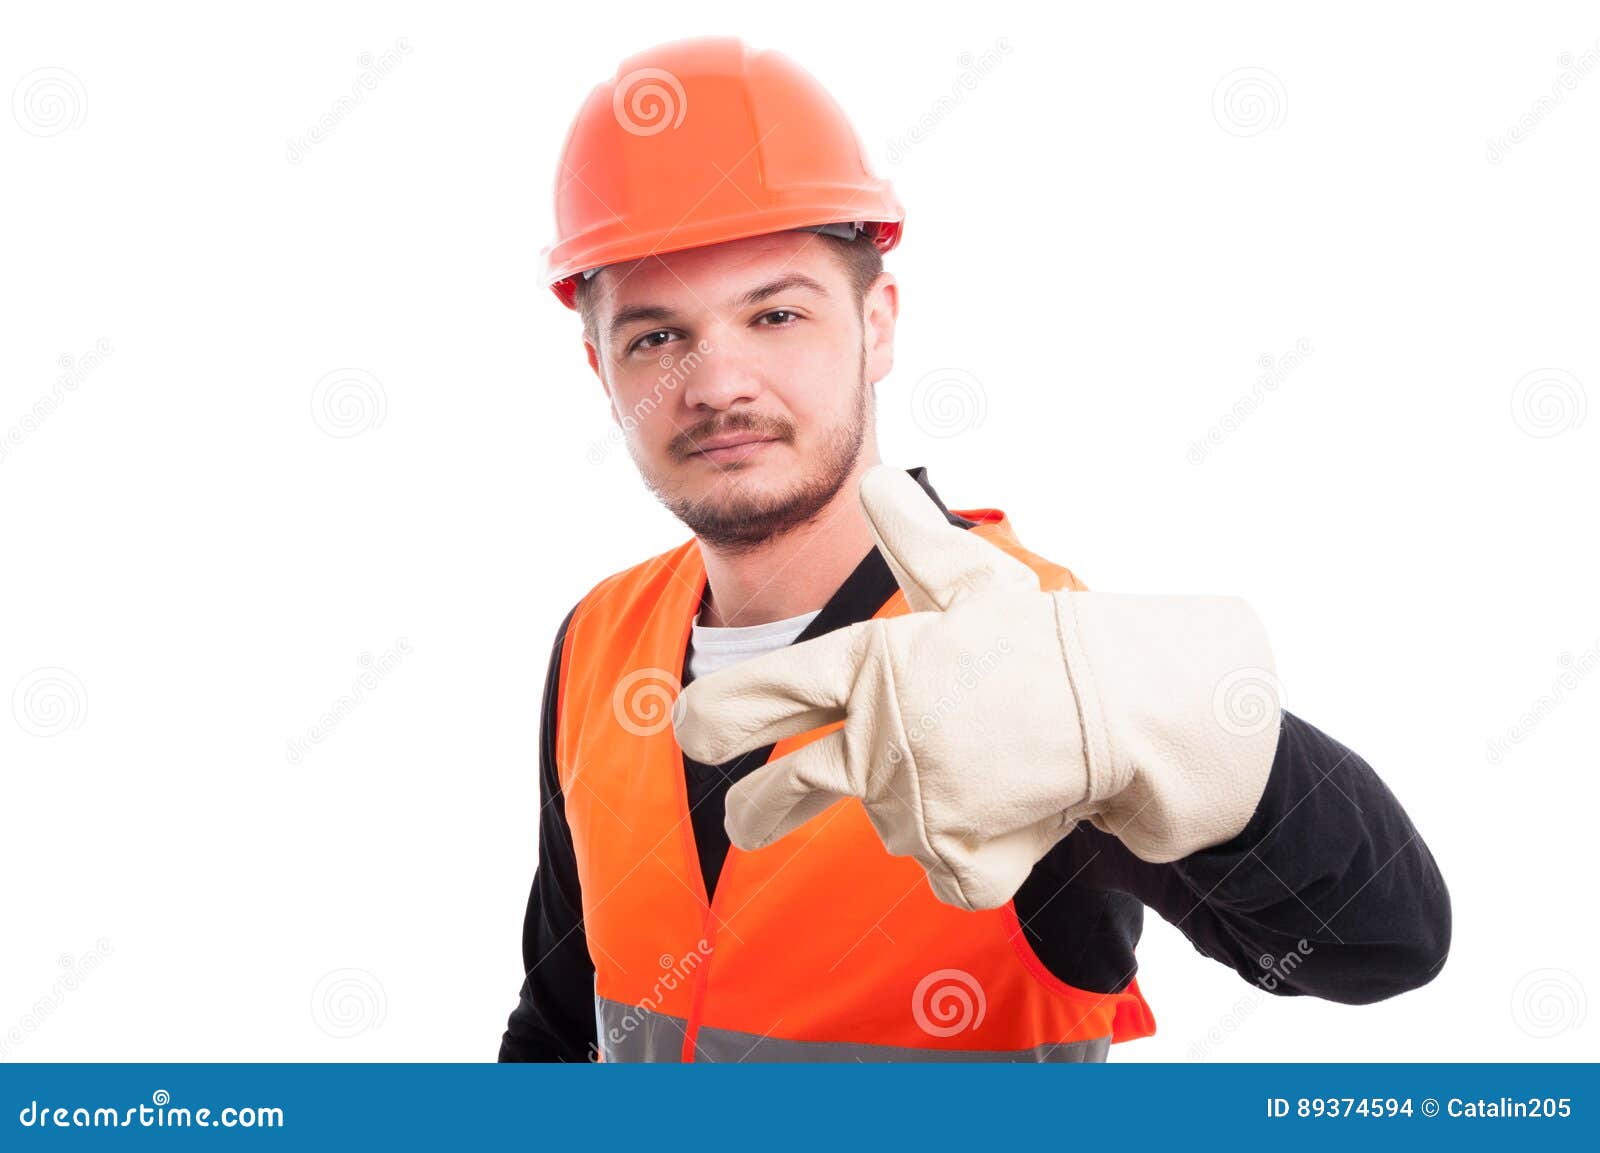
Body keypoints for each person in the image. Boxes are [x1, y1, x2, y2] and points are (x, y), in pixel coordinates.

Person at [499, 36, 1450, 1063]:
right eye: (657, 337)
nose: (718, 382)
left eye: (775, 313)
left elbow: (1378, 942)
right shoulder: (598, 640)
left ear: (879, 324)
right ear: (601, 367)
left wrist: (1166, 735)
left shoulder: (1029, 659)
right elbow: (558, 1021)